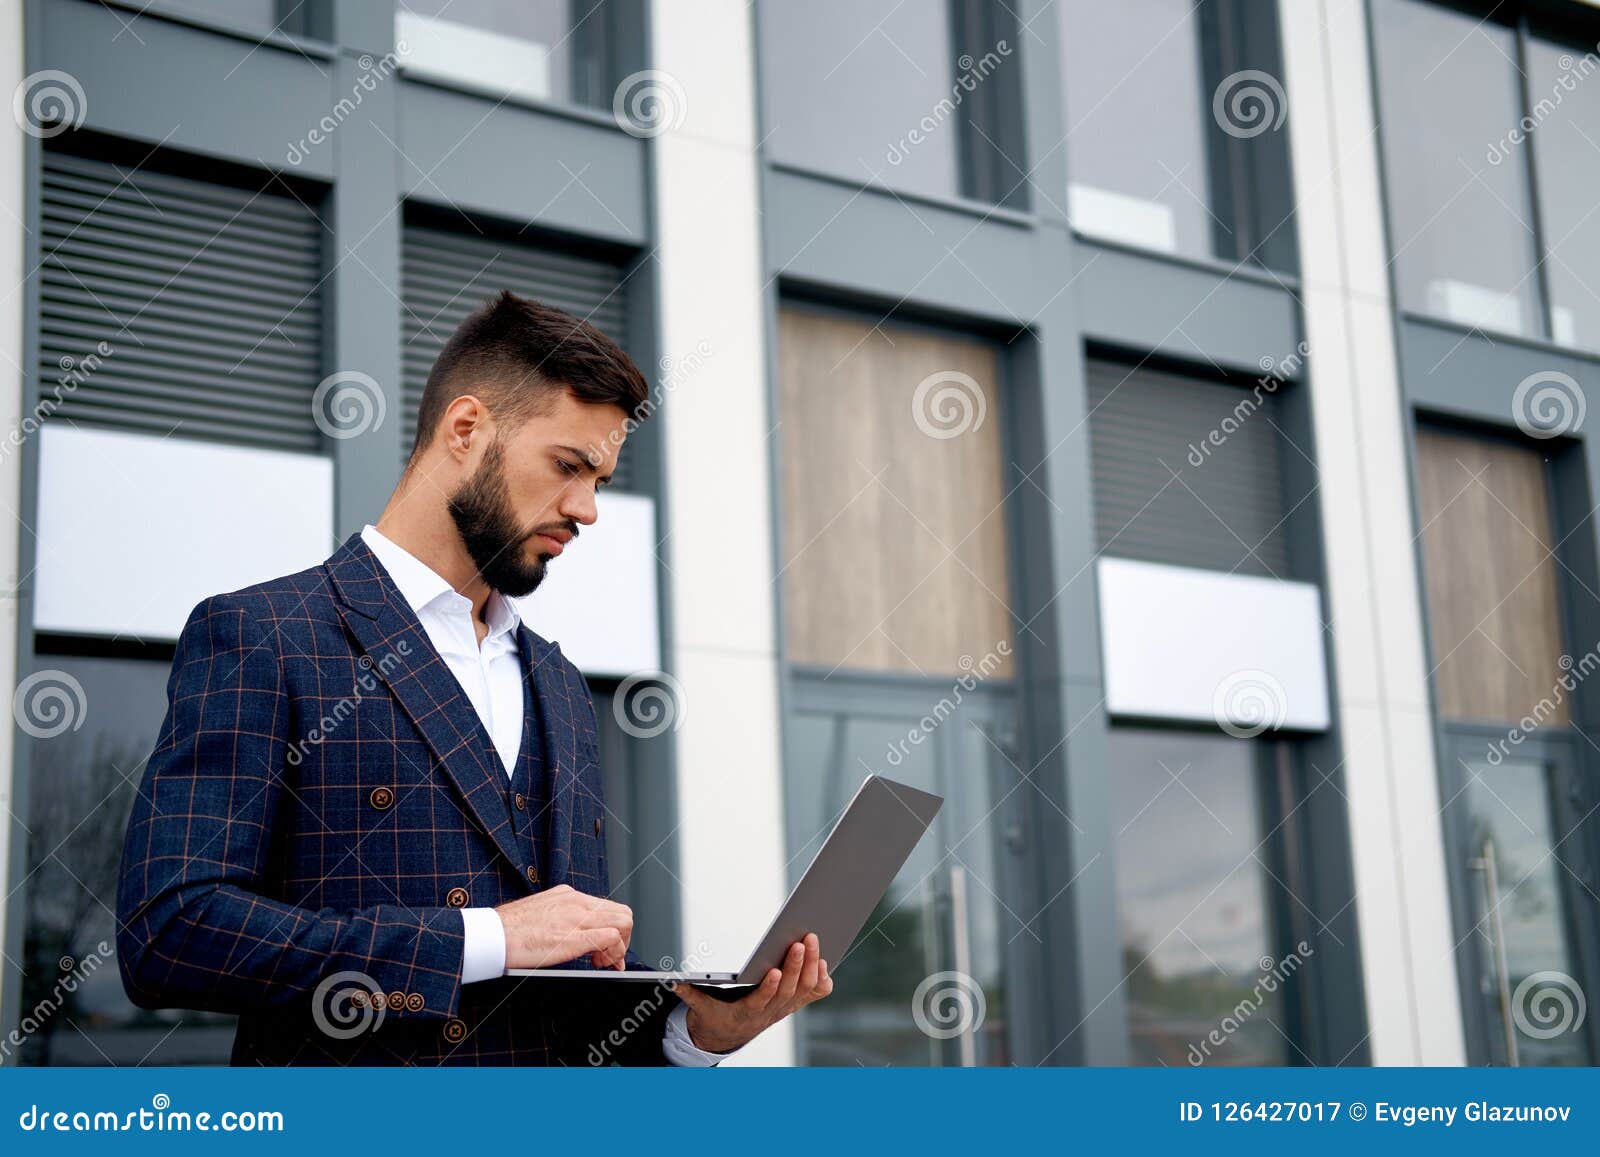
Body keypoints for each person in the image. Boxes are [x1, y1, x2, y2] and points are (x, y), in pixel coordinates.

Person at [115, 290, 831, 1065]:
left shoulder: (561, 684)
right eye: (568, 466)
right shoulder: (264, 635)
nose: (587, 509)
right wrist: (482, 937)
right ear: (465, 429)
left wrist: (695, 1032)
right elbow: (170, 931)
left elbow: (563, 1001)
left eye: (599, 480)